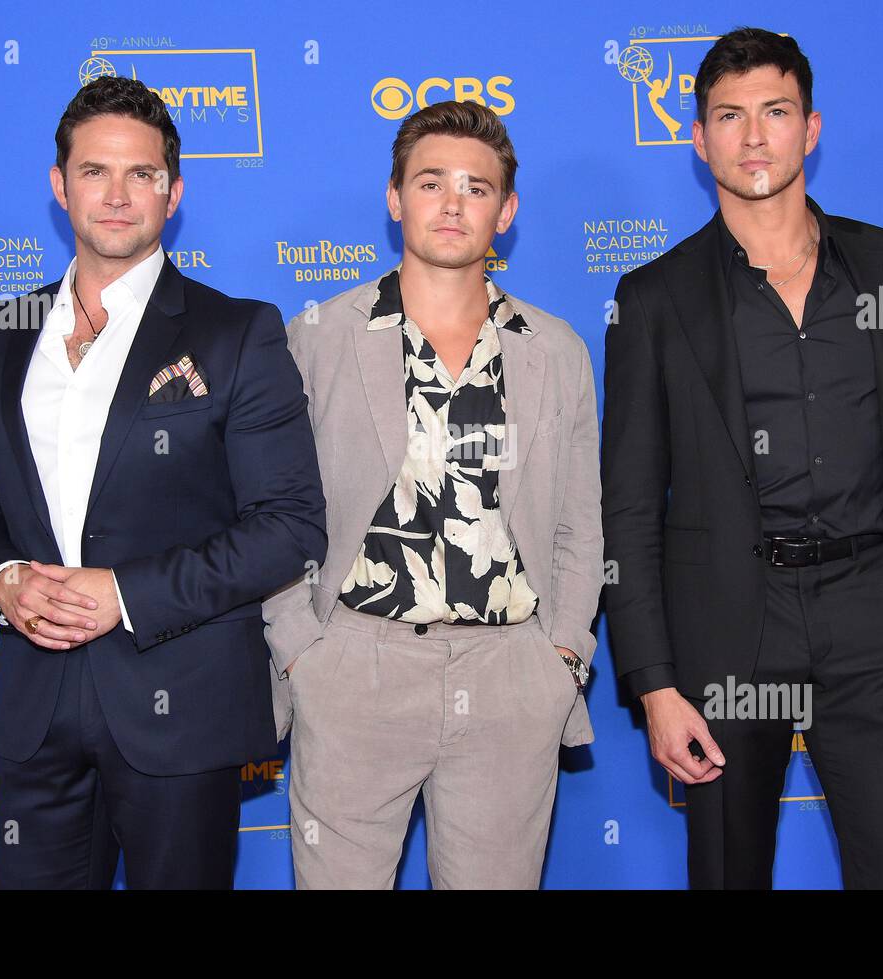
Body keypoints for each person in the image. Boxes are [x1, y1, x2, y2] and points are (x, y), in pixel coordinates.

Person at [602, 27, 883, 889]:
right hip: (731, 628)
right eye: (729, 117)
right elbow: (627, 502)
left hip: (878, 613)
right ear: (698, 140)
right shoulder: (654, 299)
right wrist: (656, 683)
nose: (753, 136)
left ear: (810, 127)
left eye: (774, 112)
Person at [0, 76, 325, 889]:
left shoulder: (237, 331)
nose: (117, 196)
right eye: (94, 172)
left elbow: (289, 525)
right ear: (59, 185)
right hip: (32, 711)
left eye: (141, 174)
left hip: (179, 710)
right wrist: (3, 578)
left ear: (174, 191)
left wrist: (124, 593)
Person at [263, 100, 603, 889]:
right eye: (430, 182)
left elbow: (581, 525)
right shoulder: (319, 334)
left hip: (511, 675)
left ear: (506, 211)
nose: (452, 204)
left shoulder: (555, 350)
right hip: (354, 667)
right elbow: (277, 507)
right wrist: (300, 651)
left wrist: (562, 655)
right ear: (394, 197)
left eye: (476, 188)